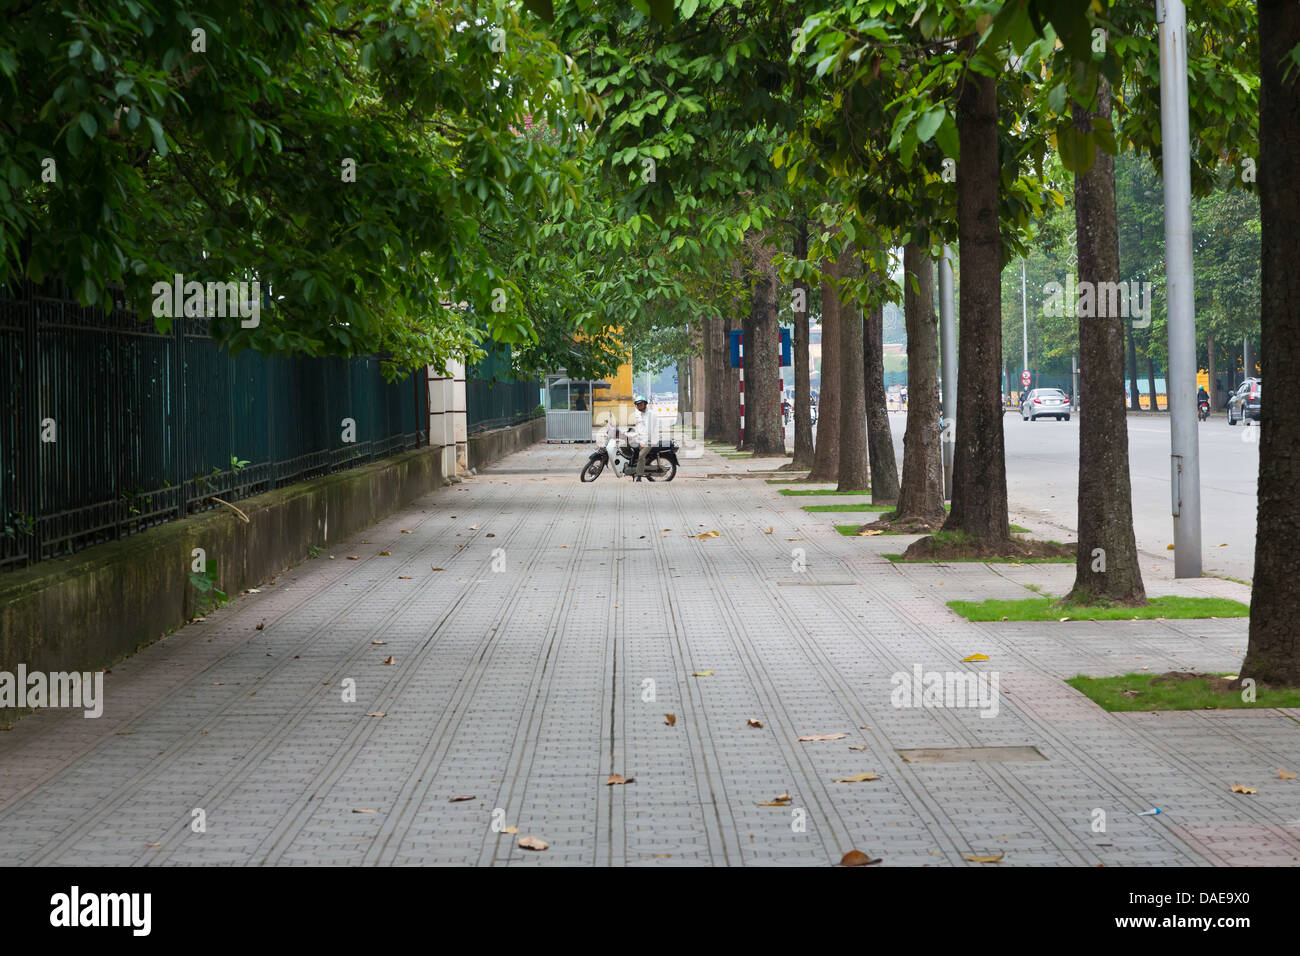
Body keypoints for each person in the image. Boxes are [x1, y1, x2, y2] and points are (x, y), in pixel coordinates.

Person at [630, 394, 655, 481]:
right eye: (637, 405)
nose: (639, 406)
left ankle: (639, 476)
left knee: (641, 455)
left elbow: (649, 431)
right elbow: (639, 428)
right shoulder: (640, 414)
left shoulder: (650, 414)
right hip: (641, 439)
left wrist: (643, 443)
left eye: (641, 404)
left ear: (645, 404)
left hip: (649, 440)